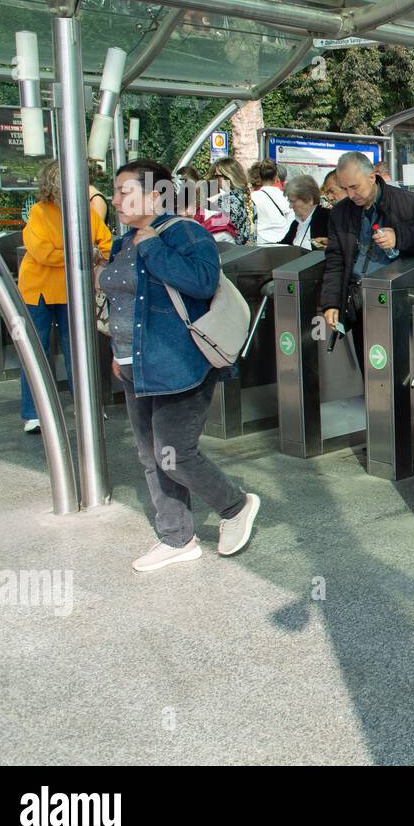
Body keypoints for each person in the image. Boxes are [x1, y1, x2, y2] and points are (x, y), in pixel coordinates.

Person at [100, 158, 260, 572]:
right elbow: (120, 301)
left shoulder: (184, 233)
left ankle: (235, 505)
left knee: (173, 452)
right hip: (133, 363)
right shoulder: (122, 241)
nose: (115, 199)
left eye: (124, 191)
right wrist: (117, 353)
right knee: (150, 455)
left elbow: (202, 282)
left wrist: (152, 246)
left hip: (177, 363)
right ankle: (177, 538)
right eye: (115, 191)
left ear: (154, 195)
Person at [321, 151, 414, 373]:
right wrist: (331, 303)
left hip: (399, 300)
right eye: (345, 188)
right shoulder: (340, 213)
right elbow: (335, 259)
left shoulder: (407, 203)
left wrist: (400, 237)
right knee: (370, 368)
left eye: (355, 187)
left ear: (372, 177)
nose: (350, 195)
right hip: (359, 300)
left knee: (400, 368)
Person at [16, 160, 113, 434]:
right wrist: (84, 254)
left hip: (72, 291)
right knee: (37, 352)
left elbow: (106, 244)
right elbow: (41, 252)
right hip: (40, 292)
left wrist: (84, 253)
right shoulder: (38, 212)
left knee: (78, 351)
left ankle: (88, 408)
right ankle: (32, 413)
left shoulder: (86, 213)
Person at [206, 157, 255, 245]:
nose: (214, 179)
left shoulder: (223, 201)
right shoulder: (249, 200)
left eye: (216, 176)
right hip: (247, 253)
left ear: (228, 177)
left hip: (228, 253)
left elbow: (215, 232)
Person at [249, 159, 299, 246]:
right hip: (283, 241)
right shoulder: (285, 197)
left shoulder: (253, 197)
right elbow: (292, 219)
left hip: (261, 240)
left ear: (260, 176)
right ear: (276, 176)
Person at [281, 174, 325, 249]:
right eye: (289, 201)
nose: (290, 206)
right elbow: (282, 246)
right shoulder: (296, 224)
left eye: (293, 201)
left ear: (309, 199)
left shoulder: (326, 220)